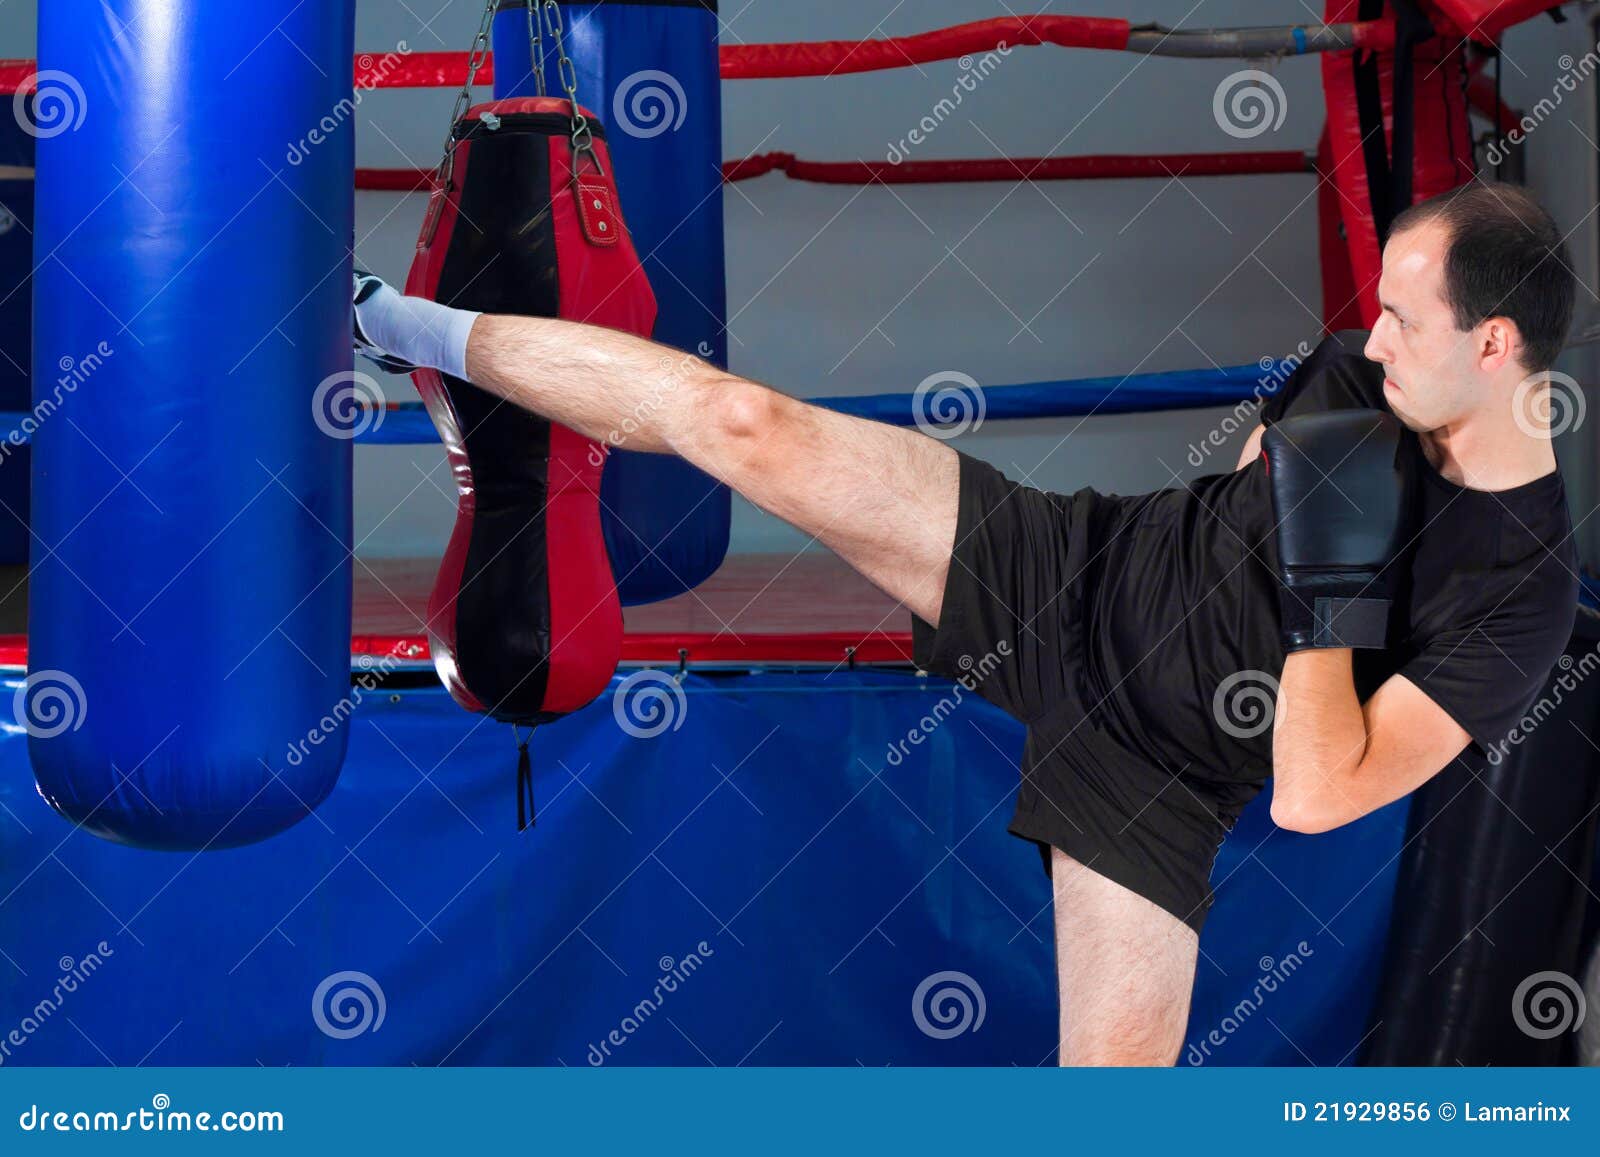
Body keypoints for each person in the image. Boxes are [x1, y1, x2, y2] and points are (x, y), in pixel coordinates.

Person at [351, 181, 1579, 1065]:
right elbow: (1243, 491)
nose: (1369, 339)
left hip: (1155, 778)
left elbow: (1317, 796)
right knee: (744, 425)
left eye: (1402, 321)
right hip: (1065, 567)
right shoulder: (1364, 379)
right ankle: (395, 322)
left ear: (1494, 341)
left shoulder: (1517, 593)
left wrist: (1333, 600)